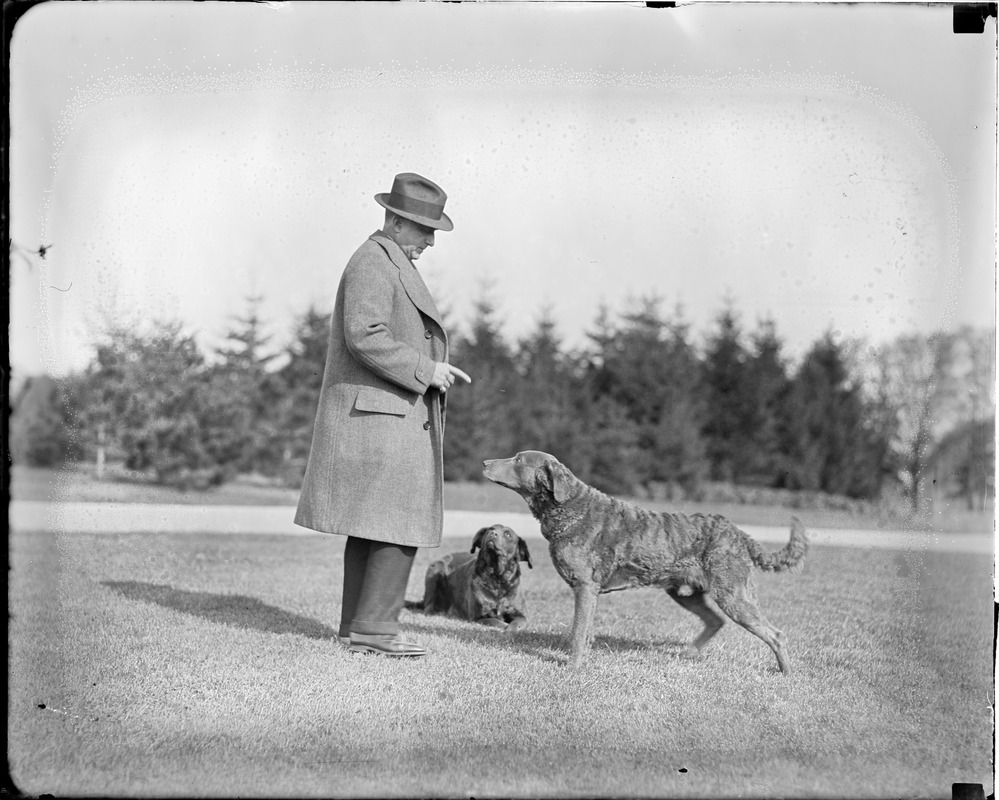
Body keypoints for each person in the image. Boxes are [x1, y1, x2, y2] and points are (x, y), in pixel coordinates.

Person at [295, 172, 470, 658]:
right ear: (394, 221)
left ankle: (358, 628)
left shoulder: (383, 259)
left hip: (383, 414)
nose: (430, 241)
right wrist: (426, 369)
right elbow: (364, 334)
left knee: (375, 524)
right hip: (382, 416)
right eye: (423, 228)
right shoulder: (374, 262)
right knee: (398, 520)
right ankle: (374, 632)